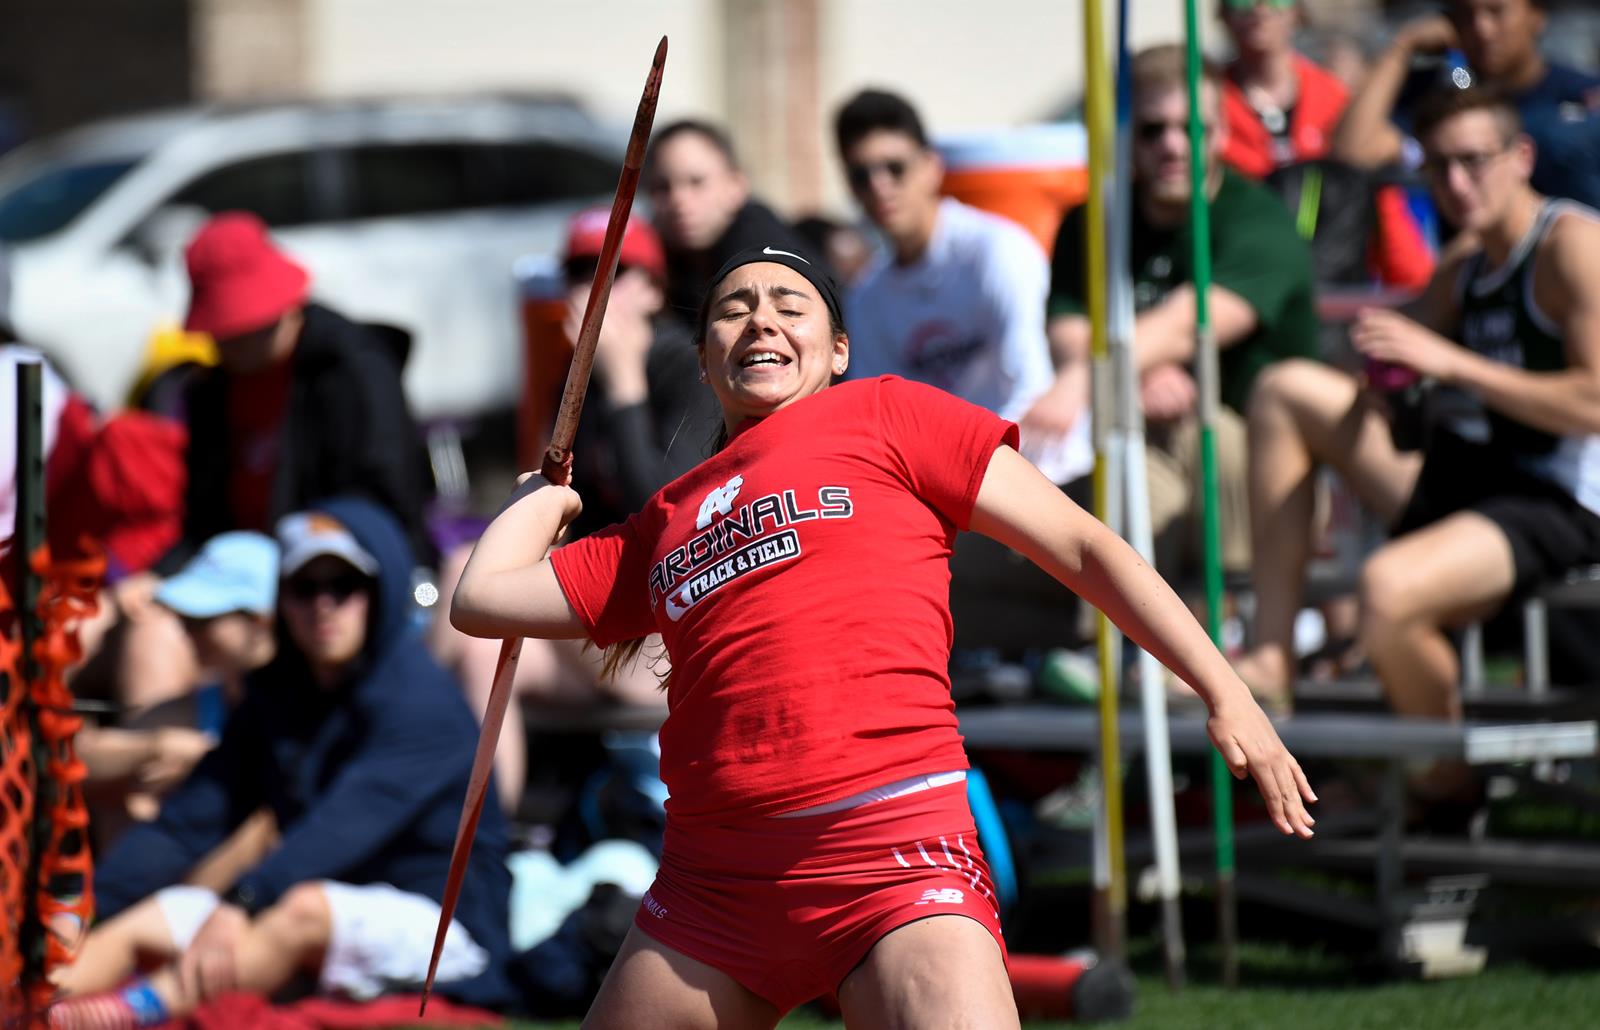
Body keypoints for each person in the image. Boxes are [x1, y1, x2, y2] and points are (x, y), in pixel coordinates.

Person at [449, 244, 1316, 1027]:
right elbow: (482, 599)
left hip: (894, 852)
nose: (761, 317)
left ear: (836, 352)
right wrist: (543, 504)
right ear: (707, 362)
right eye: (733, 307)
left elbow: (1088, 546)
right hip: (714, 885)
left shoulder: (888, 416)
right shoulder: (665, 519)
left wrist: (1224, 689)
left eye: (791, 304)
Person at [51, 499, 512, 1027]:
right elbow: (188, 825)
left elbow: (338, 831)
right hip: (304, 901)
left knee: (303, 909)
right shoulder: (278, 698)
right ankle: (28, 1000)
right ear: (281, 600)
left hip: (447, 932)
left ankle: (114, 1017)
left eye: (343, 586)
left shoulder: (422, 704)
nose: (323, 605)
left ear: (379, 591)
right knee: (150, 917)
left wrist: (242, 901)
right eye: (303, 588)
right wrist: (85, 910)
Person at [1236, 87, 1600, 736]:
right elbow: (1394, 358)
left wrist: (1450, 363)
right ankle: (1271, 656)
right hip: (1494, 476)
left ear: (1522, 157)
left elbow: (1594, 403)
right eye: (1438, 167)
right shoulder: (1465, 260)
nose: (1456, 184)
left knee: (1386, 589)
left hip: (1570, 502)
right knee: (1286, 390)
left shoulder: (1571, 245)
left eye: (1474, 161)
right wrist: (1383, 377)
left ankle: (1444, 790)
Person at [113, 211, 433, 714]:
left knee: (219, 639)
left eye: (243, 325)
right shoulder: (212, 392)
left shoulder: (351, 371)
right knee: (148, 628)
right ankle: (169, 784)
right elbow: (204, 518)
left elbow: (384, 504)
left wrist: (291, 580)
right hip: (233, 573)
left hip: (321, 577)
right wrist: (160, 576)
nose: (230, 340)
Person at [430, 208, 696, 813]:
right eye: (580, 273)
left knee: (461, 577)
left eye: (615, 271)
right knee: (476, 650)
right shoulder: (576, 383)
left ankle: (397, 764)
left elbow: (669, 522)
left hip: (663, 635)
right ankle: (493, 837)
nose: (593, 288)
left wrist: (626, 381)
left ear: (654, 290)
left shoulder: (685, 365)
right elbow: (559, 511)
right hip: (601, 628)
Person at [1045, 45, 1319, 584]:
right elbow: (1067, 333)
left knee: (1207, 436)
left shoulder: (1257, 218)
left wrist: (1090, 377)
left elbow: (1192, 324)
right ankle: (1118, 652)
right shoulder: (1094, 222)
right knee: (1120, 482)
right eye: (1152, 129)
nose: (1173, 144)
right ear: (1126, 137)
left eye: (1192, 127)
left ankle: (1233, 624)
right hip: (1136, 435)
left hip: (1260, 466)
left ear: (1220, 134)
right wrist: (1140, 370)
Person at [834, 88, 1084, 487]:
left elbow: (1030, 390)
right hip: (945, 486)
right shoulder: (865, 298)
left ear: (932, 167)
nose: (880, 186)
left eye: (895, 167)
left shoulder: (996, 251)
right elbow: (882, 421)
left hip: (1044, 471)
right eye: (861, 174)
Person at [1216, 0, 1433, 290]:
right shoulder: (1203, 109)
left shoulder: (1335, 100)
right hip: (1239, 284)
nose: (1259, 7)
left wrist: (1419, 287)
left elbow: (1377, 198)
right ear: (1223, 12)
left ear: (1297, 11)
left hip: (1330, 290)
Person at [78, 532, 279, 845]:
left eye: (203, 621)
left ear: (259, 622)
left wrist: (205, 760)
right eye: (185, 621)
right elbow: (82, 764)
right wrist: (155, 748)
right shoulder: (206, 701)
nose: (188, 635)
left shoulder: (303, 706)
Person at [1331, 0, 1600, 209]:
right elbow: (1352, 153)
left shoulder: (1580, 95)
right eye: (1465, 15)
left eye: (1496, 11)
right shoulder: (1439, 95)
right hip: (1461, 267)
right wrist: (1402, 47)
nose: (1481, 29)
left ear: (1536, 15)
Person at [645, 120, 809, 321]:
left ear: (736, 186)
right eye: (662, 187)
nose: (678, 200)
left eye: (697, 182)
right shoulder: (655, 258)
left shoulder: (761, 252)